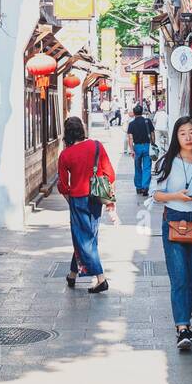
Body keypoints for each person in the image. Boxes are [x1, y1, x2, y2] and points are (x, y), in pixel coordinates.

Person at [149, 116, 192, 350]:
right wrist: (177, 196)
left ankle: (185, 322)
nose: (188, 137)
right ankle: (182, 328)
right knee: (179, 277)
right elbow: (156, 195)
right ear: (176, 137)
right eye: (182, 133)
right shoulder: (167, 162)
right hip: (174, 220)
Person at [56, 116, 116, 294]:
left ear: (67, 133)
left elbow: (62, 185)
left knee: (84, 239)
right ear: (82, 130)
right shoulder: (97, 146)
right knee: (87, 237)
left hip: (78, 198)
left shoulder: (65, 155)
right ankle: (73, 274)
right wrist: (108, 198)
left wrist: (70, 199)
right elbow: (110, 174)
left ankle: (101, 278)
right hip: (96, 197)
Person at [126, 105, 154, 196]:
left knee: (137, 167)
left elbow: (130, 138)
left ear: (134, 113)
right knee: (147, 167)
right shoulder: (147, 121)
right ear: (142, 112)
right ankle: (145, 187)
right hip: (147, 146)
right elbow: (152, 134)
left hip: (137, 147)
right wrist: (153, 144)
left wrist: (131, 149)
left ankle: (138, 187)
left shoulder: (131, 124)